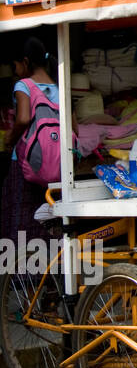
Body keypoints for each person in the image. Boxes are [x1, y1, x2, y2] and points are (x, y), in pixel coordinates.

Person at [2, 37, 67, 244]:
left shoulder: (24, 85)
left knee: (20, 214)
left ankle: (19, 272)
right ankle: (48, 272)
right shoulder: (60, 84)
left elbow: (22, 118)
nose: (15, 70)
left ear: (25, 61)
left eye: (15, 65)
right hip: (56, 165)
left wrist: (9, 138)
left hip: (25, 163)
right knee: (48, 218)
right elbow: (73, 127)